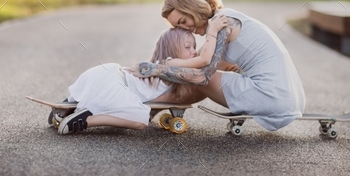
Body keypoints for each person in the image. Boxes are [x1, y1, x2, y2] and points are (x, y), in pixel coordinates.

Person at [125, 0, 306, 131]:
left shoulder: (224, 24)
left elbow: (202, 76)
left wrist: (156, 69)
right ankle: (151, 106)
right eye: (178, 27)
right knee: (193, 70)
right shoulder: (223, 20)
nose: (185, 29)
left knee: (197, 75)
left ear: (192, 7)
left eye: (183, 22)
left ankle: (146, 106)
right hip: (288, 99)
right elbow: (205, 62)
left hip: (271, 96)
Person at [57, 15, 229, 135]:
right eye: (187, 47)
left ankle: (69, 106)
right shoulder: (170, 64)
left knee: (95, 95)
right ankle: (86, 120)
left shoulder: (162, 65)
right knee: (140, 120)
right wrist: (213, 31)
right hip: (117, 85)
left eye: (193, 47)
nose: (193, 51)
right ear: (172, 49)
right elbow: (203, 61)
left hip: (107, 74)